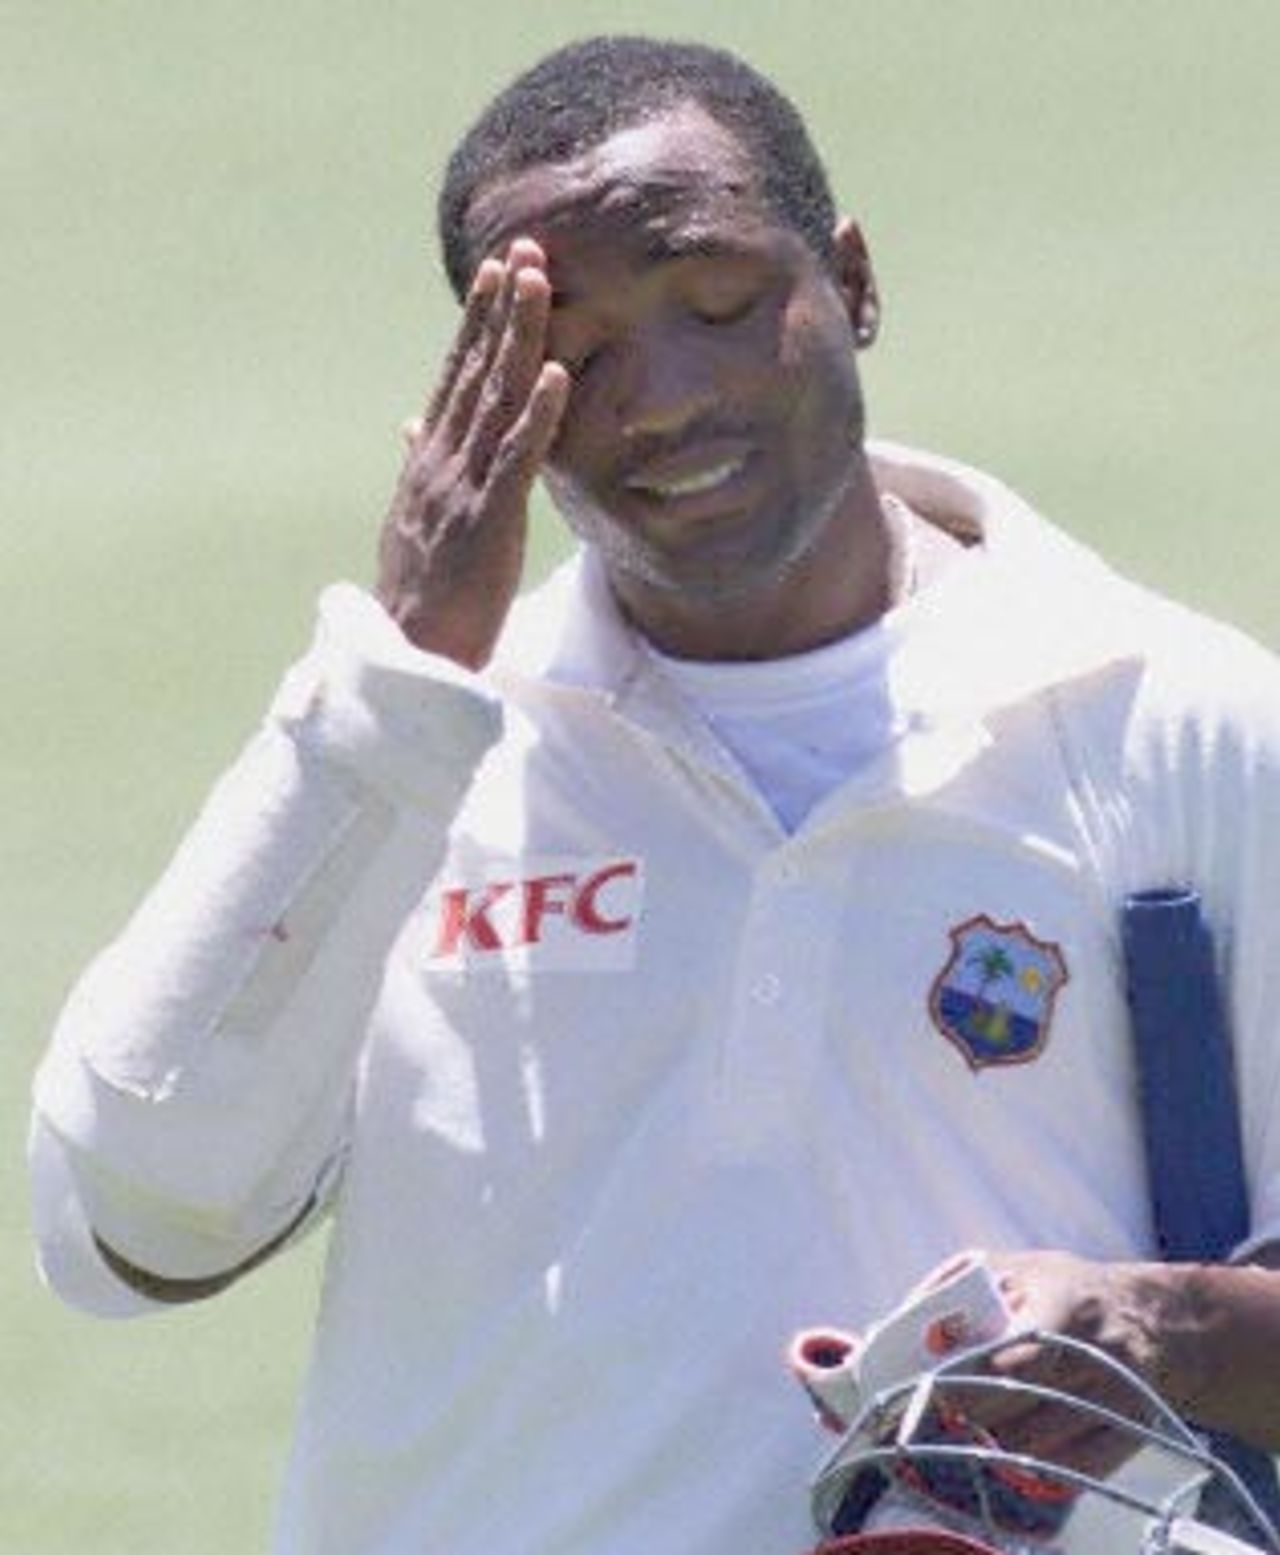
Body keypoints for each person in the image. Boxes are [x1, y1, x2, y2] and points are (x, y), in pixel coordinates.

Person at [28, 34, 1280, 1555]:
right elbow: (136, 1221)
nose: (667, 401)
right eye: (583, 348)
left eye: (722, 305)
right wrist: (401, 678)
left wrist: (1161, 1326)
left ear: (855, 286)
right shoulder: (419, 749)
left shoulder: (1170, 719)